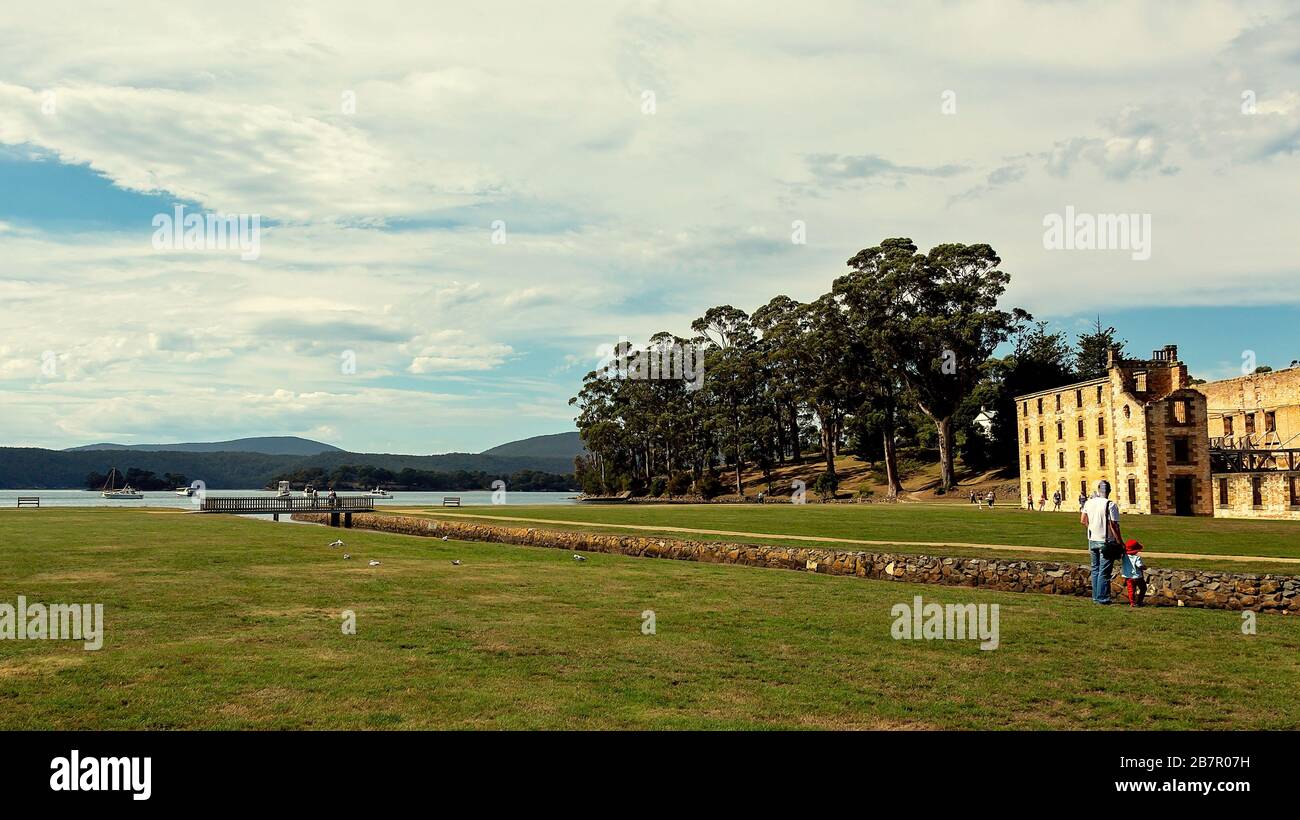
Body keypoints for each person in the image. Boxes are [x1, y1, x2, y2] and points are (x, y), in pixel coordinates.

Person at [1080, 480, 1122, 605]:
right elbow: (1113, 525)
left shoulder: (1089, 502)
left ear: (1098, 490)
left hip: (1092, 540)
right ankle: (1102, 598)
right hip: (1106, 541)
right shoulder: (1110, 504)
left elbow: (1083, 520)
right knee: (1104, 571)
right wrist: (1120, 542)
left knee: (1095, 569)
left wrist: (1092, 527)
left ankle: (1096, 597)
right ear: (1109, 491)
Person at [1120, 539, 1147, 608]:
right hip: (1137, 577)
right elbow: (1139, 565)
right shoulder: (1137, 558)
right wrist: (1144, 567)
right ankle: (1139, 601)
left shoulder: (1124, 556)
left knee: (1131, 590)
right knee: (1143, 588)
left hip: (1128, 577)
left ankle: (1132, 603)